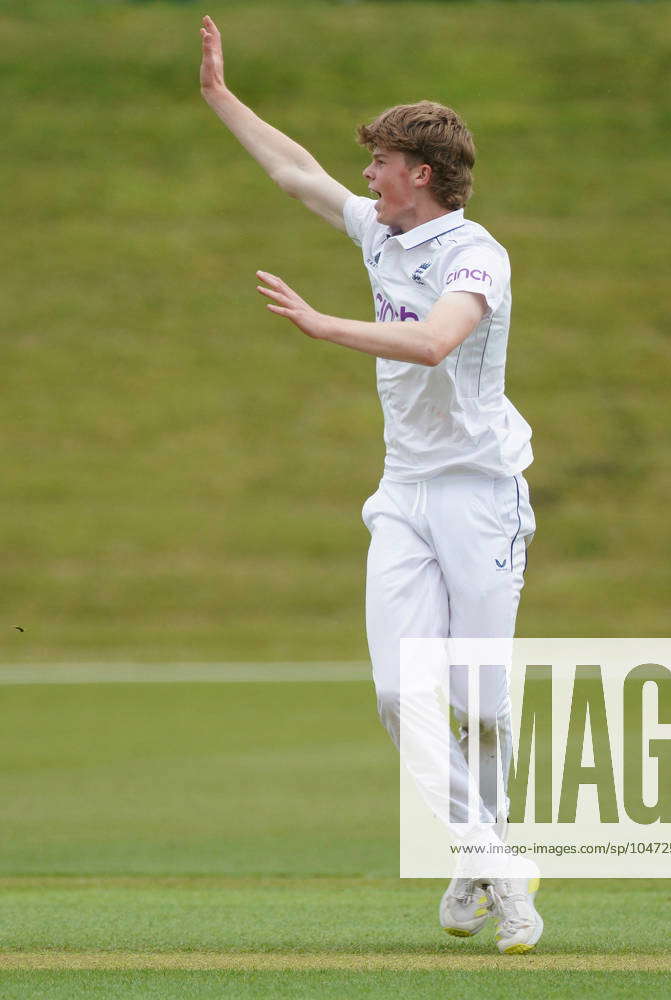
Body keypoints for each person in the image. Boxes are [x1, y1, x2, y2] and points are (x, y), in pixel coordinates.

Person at [199, 14, 542, 954]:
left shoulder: (478, 256)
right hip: (404, 496)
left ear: (420, 173)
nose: (366, 177)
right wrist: (224, 100)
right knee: (399, 696)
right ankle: (501, 869)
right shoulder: (379, 235)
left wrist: (326, 327)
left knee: (479, 701)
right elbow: (295, 172)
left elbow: (435, 343)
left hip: (481, 496)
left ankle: (481, 856)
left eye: (381, 163)